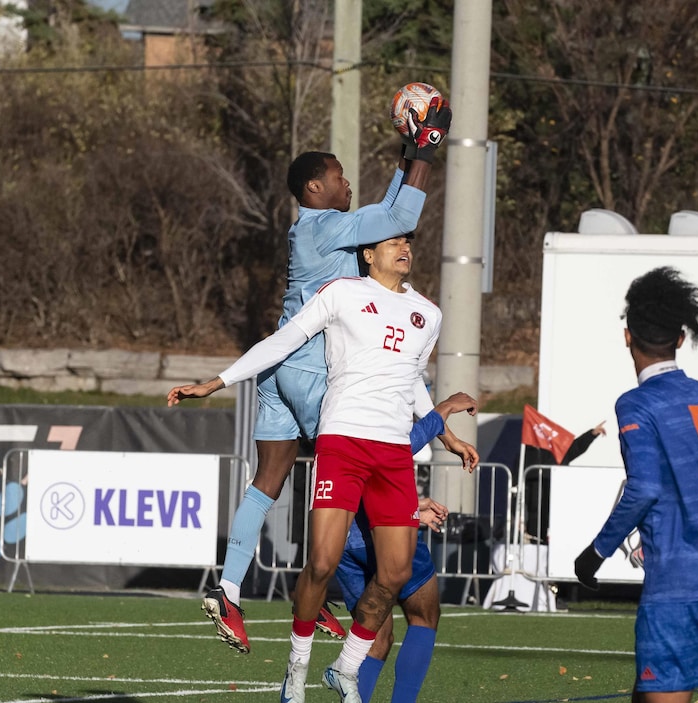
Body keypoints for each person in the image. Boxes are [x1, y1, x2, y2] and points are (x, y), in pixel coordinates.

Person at [183, 96, 453, 655]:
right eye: (338, 175)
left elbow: (386, 213)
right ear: (314, 189)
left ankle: (229, 588)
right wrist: (426, 148)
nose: (347, 181)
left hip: (279, 371)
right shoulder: (328, 227)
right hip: (309, 368)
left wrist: (410, 153)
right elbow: (400, 218)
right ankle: (327, 590)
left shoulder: (315, 229)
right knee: (351, 458)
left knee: (269, 480)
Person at [167, 232, 478, 703]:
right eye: (393, 242)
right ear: (368, 256)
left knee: (393, 575)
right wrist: (217, 381)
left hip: (394, 453)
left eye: (408, 242)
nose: (404, 248)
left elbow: (411, 379)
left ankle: (346, 668)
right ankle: (296, 669)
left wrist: (445, 434)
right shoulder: (341, 294)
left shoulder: (428, 314)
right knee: (321, 563)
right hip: (344, 442)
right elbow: (282, 341)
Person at [573, 266, 698, 703]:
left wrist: (597, 551)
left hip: (676, 582)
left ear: (628, 337)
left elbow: (643, 489)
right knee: (651, 693)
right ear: (680, 339)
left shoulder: (636, 404)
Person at [336, 391, 477, 703]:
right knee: (423, 616)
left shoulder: (336, 414)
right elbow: (398, 450)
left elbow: (364, 474)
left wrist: (413, 505)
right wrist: (444, 409)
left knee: (373, 638)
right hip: (386, 532)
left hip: (341, 538)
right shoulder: (379, 410)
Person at [522, 418, 606, 542]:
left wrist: (592, 434)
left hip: (558, 501)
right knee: (536, 530)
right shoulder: (527, 452)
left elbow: (576, 446)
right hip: (535, 505)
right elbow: (516, 476)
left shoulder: (557, 451)